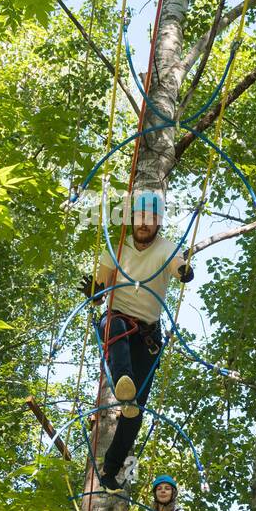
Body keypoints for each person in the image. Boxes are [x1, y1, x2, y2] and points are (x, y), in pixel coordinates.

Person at [80, 189, 193, 493]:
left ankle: (111, 470)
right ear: (131, 220)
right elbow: (101, 289)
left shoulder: (167, 249)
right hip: (117, 320)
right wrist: (93, 289)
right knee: (114, 325)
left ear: (158, 223)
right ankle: (123, 382)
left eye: (150, 219)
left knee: (135, 412)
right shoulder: (115, 249)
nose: (144, 224)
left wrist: (184, 271)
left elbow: (178, 267)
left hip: (147, 336)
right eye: (140, 218)